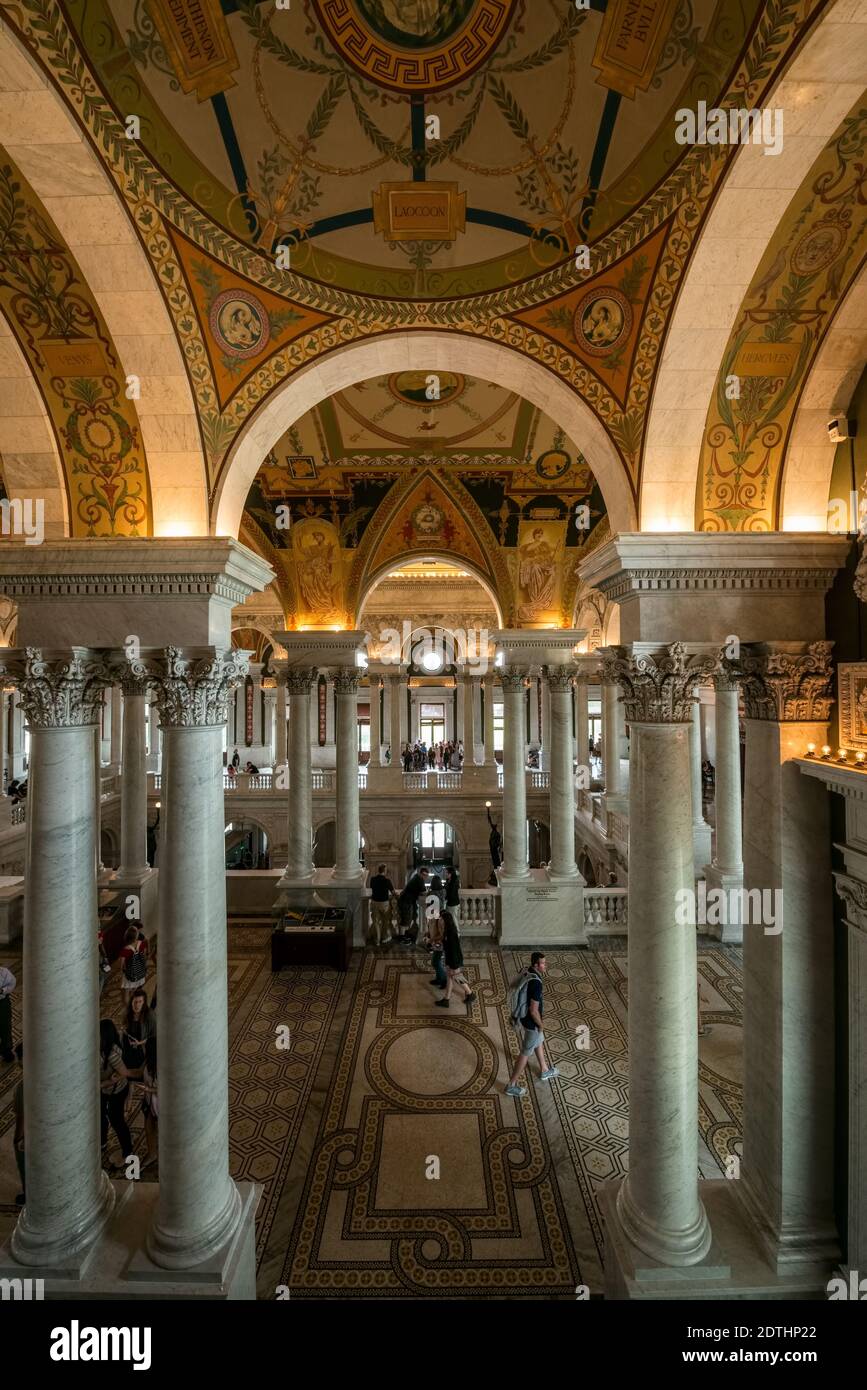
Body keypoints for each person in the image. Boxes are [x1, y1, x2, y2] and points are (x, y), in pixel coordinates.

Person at [505, 952, 559, 1096]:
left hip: (524, 1018)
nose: (545, 965)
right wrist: (540, 1025)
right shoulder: (536, 983)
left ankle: (544, 1070)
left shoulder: (527, 971)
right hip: (532, 1023)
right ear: (536, 965)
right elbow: (534, 1010)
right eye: (543, 963)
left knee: (539, 1041)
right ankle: (511, 1085)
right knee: (525, 1053)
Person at [99, 1018, 134, 1169]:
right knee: (100, 1116)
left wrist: (106, 1083)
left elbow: (124, 1073)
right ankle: (102, 1142)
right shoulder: (100, 1050)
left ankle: (127, 1152)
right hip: (104, 1091)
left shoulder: (113, 1054)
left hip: (116, 1092)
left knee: (117, 1121)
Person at [435, 910, 476, 1009]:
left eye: (441, 921)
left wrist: (453, 965)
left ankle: (470, 993)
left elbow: (453, 950)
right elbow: (444, 942)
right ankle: (446, 999)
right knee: (450, 977)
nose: (440, 923)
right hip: (451, 958)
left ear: (446, 922)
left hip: (454, 959)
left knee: (457, 976)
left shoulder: (451, 934)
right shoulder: (448, 931)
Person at [122, 988, 155, 1078]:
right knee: (127, 1065)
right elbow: (124, 1024)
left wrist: (140, 1043)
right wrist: (124, 1029)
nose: (137, 1005)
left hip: (142, 1048)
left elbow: (154, 1037)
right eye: (135, 1002)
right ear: (131, 1001)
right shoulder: (127, 1012)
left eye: (140, 1002)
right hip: (128, 1045)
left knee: (139, 1070)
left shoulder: (150, 1015)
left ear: (144, 1002)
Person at [396, 865, 428, 943]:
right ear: (421, 874)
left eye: (426, 875)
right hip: (406, 902)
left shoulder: (416, 877)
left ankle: (405, 935)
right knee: (405, 920)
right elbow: (424, 892)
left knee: (408, 919)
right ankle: (401, 938)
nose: (426, 877)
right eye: (425, 875)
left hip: (405, 901)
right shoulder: (419, 879)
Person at [368, 863, 395, 947]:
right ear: (385, 871)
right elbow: (393, 892)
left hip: (374, 902)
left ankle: (377, 941)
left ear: (378, 870)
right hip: (384, 903)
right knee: (385, 921)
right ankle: (384, 937)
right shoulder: (387, 881)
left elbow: (372, 888)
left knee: (376, 922)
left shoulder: (372, 879)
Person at [119, 923, 148, 994]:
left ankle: (130, 998)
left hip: (130, 975)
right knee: (138, 990)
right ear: (136, 936)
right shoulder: (142, 944)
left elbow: (121, 965)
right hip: (140, 973)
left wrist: (121, 972)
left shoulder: (125, 950)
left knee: (126, 992)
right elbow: (144, 957)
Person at [12, 1041, 24, 1205]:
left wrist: (18, 1140)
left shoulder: (23, 1088)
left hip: (29, 1136)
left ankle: (30, 1194)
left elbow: (22, 1117)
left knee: (26, 1167)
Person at [0, 961, 16, 1062]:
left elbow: (12, 983)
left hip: (2, 1003)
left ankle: (6, 1050)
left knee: (5, 1026)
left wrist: (2, 990)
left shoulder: (4, 972)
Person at [427, 912, 447, 990]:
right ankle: (439, 979)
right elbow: (431, 930)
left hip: (439, 944)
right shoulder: (430, 918)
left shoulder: (439, 920)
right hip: (435, 944)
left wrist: (432, 939)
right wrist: (428, 934)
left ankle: (443, 980)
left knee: (435, 962)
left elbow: (442, 935)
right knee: (436, 962)